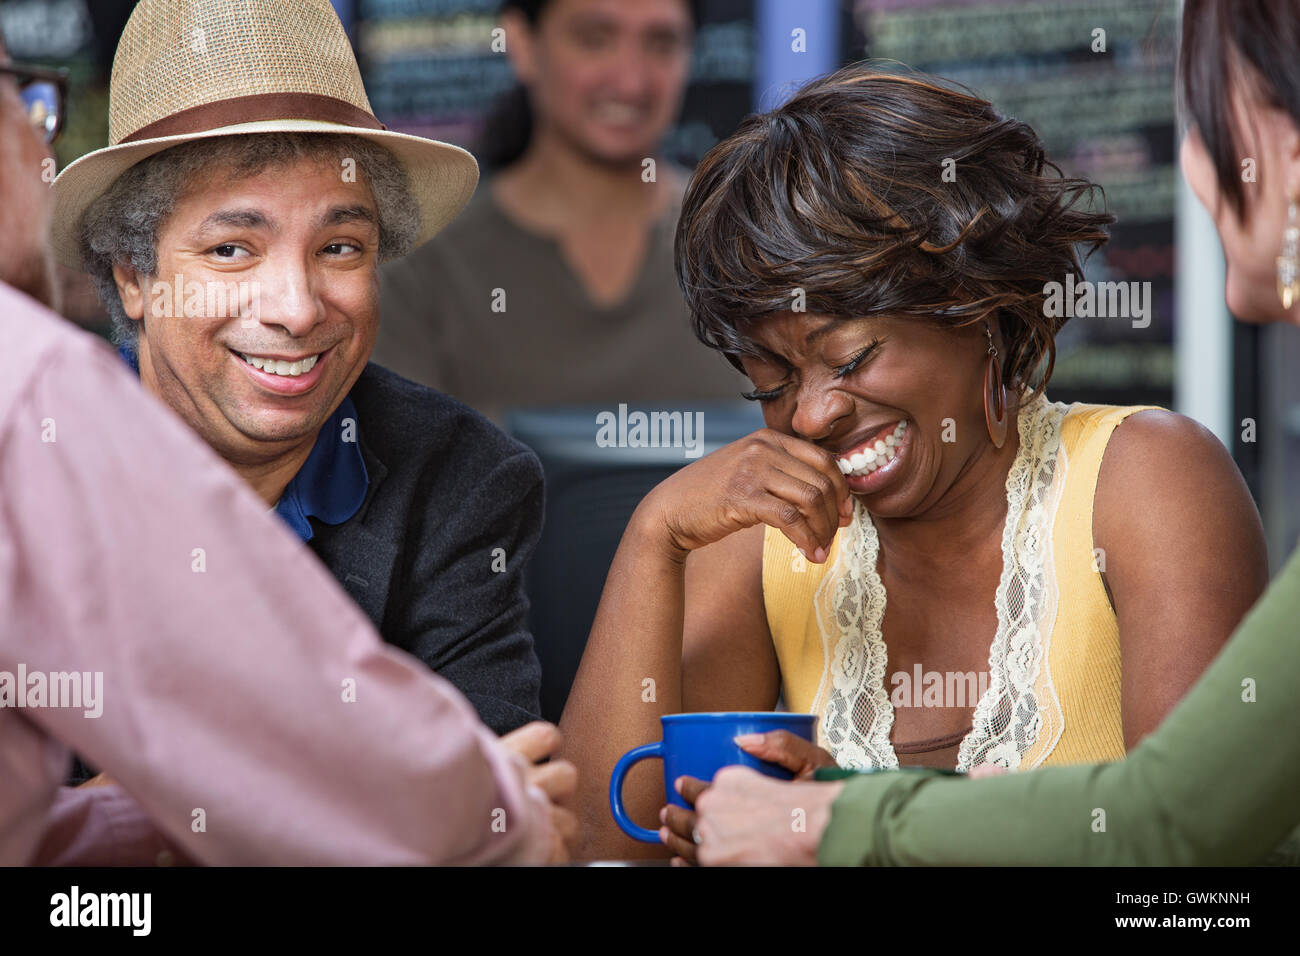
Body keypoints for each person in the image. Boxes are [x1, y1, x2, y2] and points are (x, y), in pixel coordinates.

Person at [559, 63, 1272, 861]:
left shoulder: (1144, 483)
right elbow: (603, 848)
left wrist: (852, 825)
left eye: (853, 357)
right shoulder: (768, 540)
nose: (812, 413)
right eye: (772, 382)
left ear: (978, 309)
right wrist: (652, 536)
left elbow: (1194, 884)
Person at [0, 22, 575, 867]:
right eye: (232, 250)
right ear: (134, 276)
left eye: (340, 248)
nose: (298, 308)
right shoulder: (42, 433)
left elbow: (491, 811)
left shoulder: (463, 477)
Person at [375, 0, 745, 423]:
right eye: (594, 40)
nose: (630, 81)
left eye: (661, 44)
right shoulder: (419, 267)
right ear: (523, 43)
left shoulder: (751, 248)